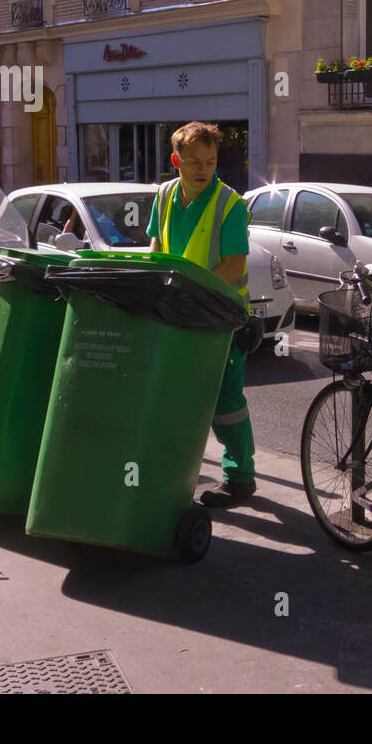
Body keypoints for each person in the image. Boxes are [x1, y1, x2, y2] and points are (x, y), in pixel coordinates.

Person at [146, 121, 256, 505]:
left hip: (220, 316)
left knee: (225, 403)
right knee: (176, 395)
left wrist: (188, 288)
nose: (202, 170)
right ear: (177, 160)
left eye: (209, 162)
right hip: (177, 312)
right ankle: (175, 472)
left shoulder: (230, 204)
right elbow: (157, 246)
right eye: (194, 162)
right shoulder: (164, 195)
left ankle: (240, 477)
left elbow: (234, 266)